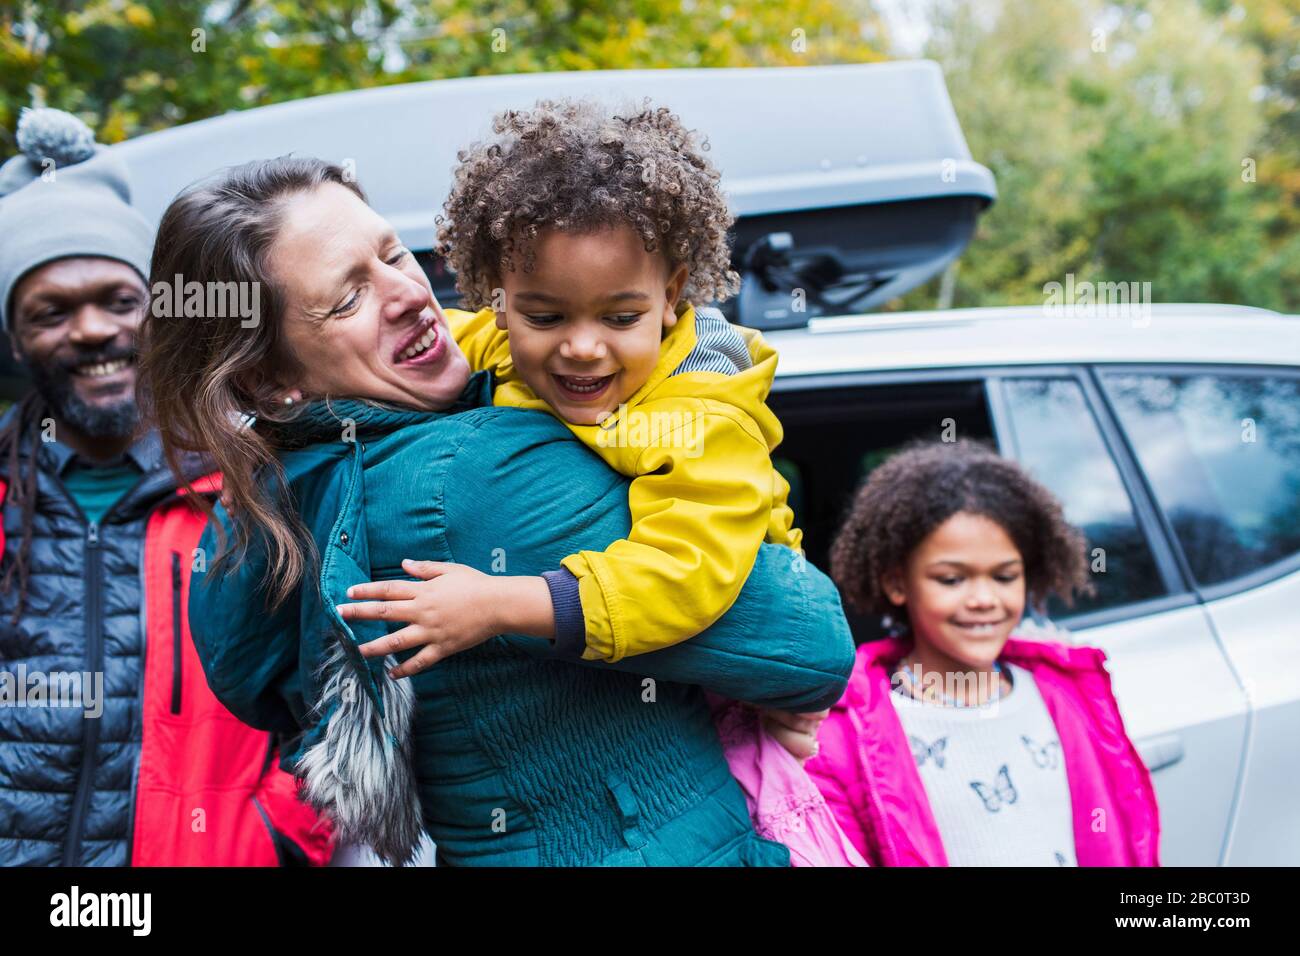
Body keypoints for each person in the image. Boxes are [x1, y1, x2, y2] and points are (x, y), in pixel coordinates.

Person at [138, 155, 856, 867]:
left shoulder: (288, 492)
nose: (410, 295)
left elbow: (247, 676)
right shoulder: (477, 475)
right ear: (270, 380)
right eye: (349, 297)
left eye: (392, 254)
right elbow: (812, 645)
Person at [338, 98, 860, 865]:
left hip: (732, 693)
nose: (582, 349)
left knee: (772, 817)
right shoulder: (501, 343)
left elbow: (686, 571)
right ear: (500, 298)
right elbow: (430, 339)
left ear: (673, 294)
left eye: (620, 318)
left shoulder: (699, 411)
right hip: (633, 717)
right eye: (545, 316)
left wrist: (499, 603)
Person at [0, 108, 332, 866]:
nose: (90, 330)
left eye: (118, 301)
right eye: (51, 311)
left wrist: (268, 842)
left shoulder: (256, 489)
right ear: (17, 340)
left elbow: (332, 690)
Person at [804, 440, 1161, 866]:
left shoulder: (1068, 696)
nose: (984, 599)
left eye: (1005, 576)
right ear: (898, 583)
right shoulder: (845, 734)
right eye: (952, 580)